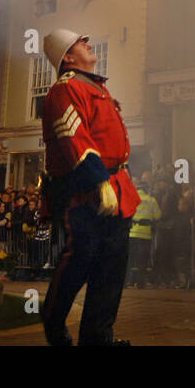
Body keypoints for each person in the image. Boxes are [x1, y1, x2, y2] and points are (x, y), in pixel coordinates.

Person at [38, 29, 139, 346]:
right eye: (81, 42)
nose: (89, 44)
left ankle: (98, 338)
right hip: (85, 190)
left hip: (115, 186)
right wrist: (98, 180)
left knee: (111, 268)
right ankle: (53, 324)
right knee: (79, 262)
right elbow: (73, 137)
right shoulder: (64, 89)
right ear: (67, 56)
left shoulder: (96, 87)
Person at [128, 176, 160, 288]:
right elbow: (158, 215)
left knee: (130, 259)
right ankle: (140, 283)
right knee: (142, 260)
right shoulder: (151, 200)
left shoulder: (131, 199)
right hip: (145, 235)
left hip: (132, 233)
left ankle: (128, 282)